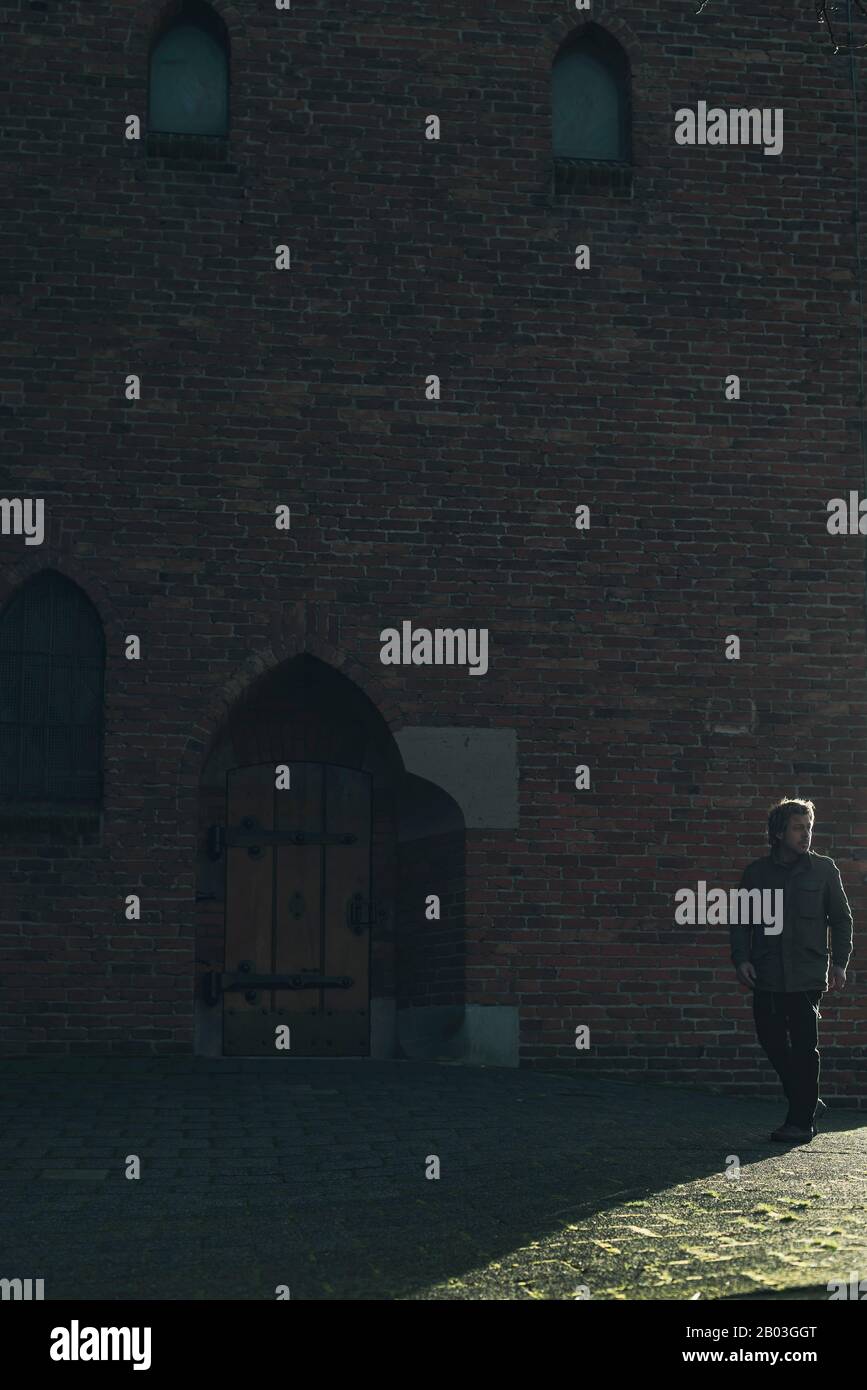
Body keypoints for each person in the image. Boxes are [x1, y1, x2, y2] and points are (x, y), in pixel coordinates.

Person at [730, 798, 853, 1143]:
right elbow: (741, 921)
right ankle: (809, 1101)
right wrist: (741, 959)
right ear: (779, 832)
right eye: (799, 828)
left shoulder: (824, 870)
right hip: (767, 973)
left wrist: (840, 963)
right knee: (771, 1041)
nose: (806, 835)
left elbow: (842, 920)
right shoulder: (756, 873)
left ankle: (800, 1122)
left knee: (803, 1047)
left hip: (807, 974)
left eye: (809, 828)